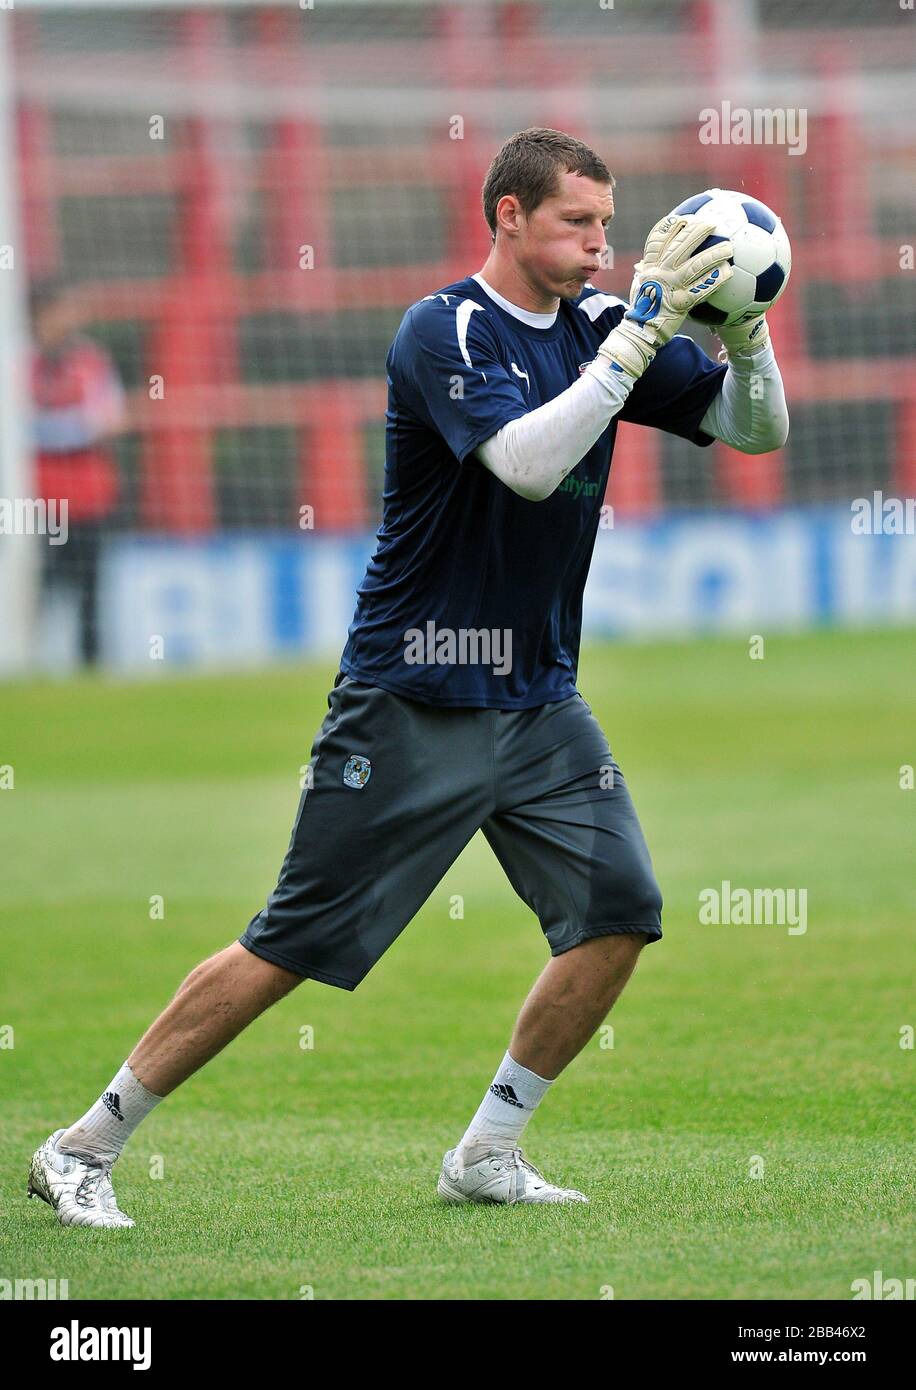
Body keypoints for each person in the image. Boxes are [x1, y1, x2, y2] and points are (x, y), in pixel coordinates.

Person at [28, 128, 788, 1225]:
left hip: (537, 698)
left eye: (607, 225)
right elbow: (528, 466)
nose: (600, 245)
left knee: (620, 910)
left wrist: (749, 336)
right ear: (509, 217)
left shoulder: (598, 323)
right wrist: (639, 337)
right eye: (577, 222)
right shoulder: (445, 329)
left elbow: (750, 431)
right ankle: (83, 1144)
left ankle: (487, 1150)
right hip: (415, 693)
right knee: (290, 941)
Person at [30, 277, 127, 666]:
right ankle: (30, 664)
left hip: (89, 497)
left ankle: (91, 669)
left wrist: (54, 429)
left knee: (91, 590)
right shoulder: (20, 362)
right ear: (39, 316)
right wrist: (75, 427)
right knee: (40, 587)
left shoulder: (91, 361)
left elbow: (113, 418)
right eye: (59, 311)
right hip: (37, 501)